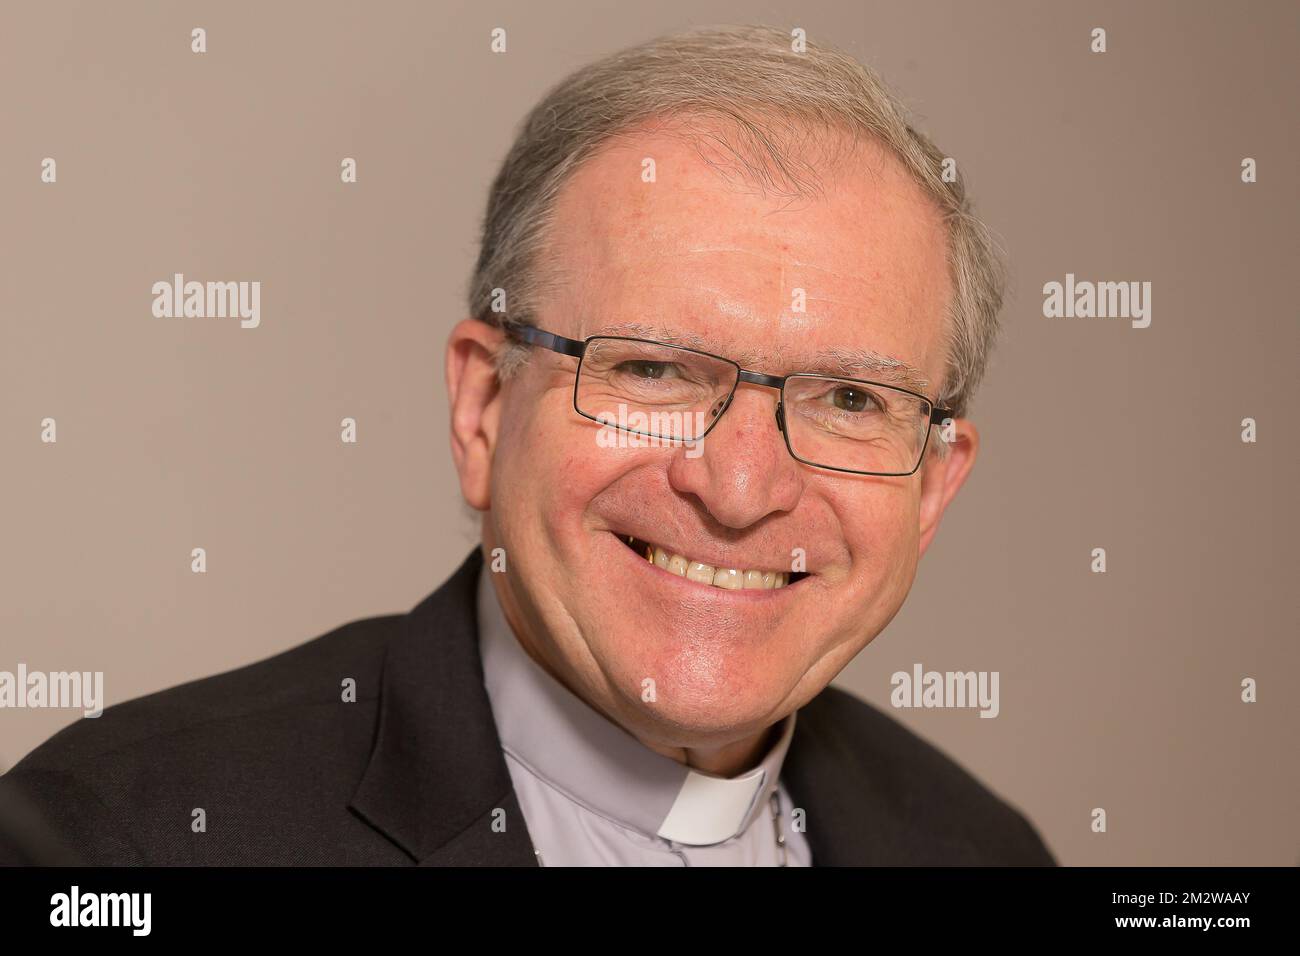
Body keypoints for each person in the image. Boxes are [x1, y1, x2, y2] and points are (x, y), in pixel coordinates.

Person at [1, 24, 1054, 866]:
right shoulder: (116, 841)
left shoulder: (982, 849)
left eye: (849, 397)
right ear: (483, 408)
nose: (739, 488)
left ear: (931, 488)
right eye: (652, 369)